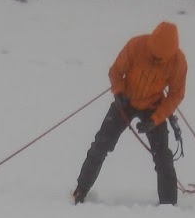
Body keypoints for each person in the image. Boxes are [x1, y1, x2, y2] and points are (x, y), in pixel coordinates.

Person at [73, 21, 187, 205]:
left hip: (154, 107)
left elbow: (175, 95)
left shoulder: (179, 62)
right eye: (153, 55)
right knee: (100, 145)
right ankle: (81, 190)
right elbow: (116, 71)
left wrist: (156, 119)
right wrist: (118, 92)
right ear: (150, 43)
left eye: (161, 59)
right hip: (125, 101)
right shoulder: (136, 45)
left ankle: (169, 206)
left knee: (163, 157)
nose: (157, 60)